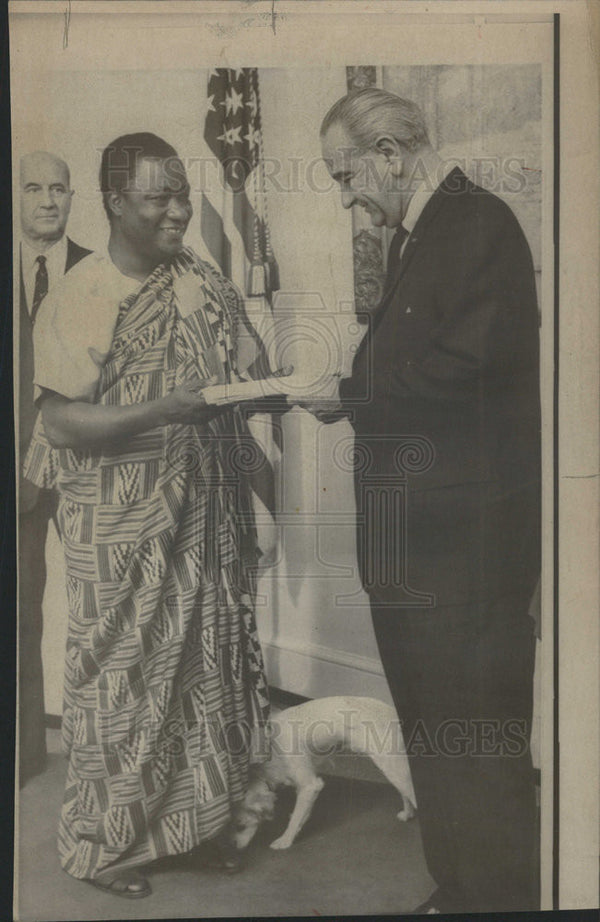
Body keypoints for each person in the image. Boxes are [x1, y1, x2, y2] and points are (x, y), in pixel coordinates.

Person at [23, 133, 270, 898]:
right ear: (115, 203)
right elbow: (61, 424)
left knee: (202, 674)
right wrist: (162, 409)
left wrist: (283, 384)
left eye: (182, 195)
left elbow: (249, 363)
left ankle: (193, 827)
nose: (176, 211)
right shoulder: (83, 292)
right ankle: (103, 847)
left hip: (205, 519)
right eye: (158, 197)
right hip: (120, 531)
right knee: (122, 684)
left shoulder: (201, 280)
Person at [316, 88, 541, 914]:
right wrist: (347, 390)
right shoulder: (430, 233)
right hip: (419, 554)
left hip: (462, 556)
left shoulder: (476, 225)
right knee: (430, 730)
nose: (347, 196)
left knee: (474, 741)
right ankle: (459, 888)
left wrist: (347, 396)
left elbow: (466, 373)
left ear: (388, 153)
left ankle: (498, 898)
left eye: (348, 175)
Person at [18, 151, 91, 787]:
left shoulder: (98, 271)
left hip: (87, 465)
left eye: (59, 188)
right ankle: (21, 757)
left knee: (104, 608)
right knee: (19, 608)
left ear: (73, 198)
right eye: (34, 188)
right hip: (15, 476)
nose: (48, 200)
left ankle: (100, 752)